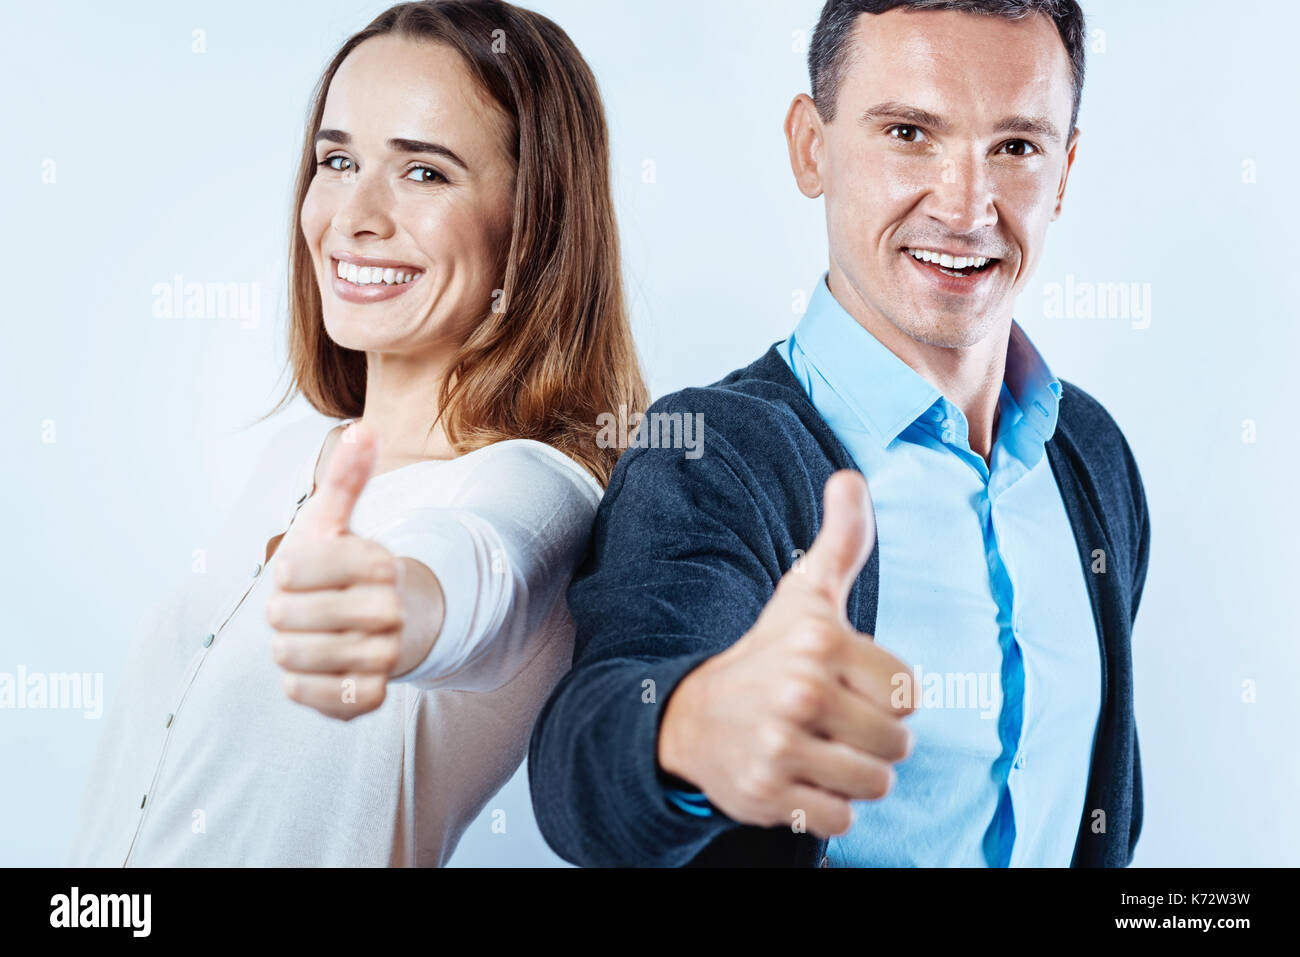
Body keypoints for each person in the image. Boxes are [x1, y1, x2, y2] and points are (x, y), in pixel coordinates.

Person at [529, 0, 1150, 867]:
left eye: (1016, 147)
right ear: (810, 147)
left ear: (1066, 170)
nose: (967, 207)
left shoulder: (1092, 453)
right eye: (908, 133)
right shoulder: (708, 452)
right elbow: (584, 763)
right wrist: (699, 725)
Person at [67, 0, 645, 867]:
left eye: (424, 174)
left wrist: (393, 605)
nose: (353, 214)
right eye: (337, 160)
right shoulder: (300, 454)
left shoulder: (538, 485)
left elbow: (479, 570)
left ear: (533, 226)